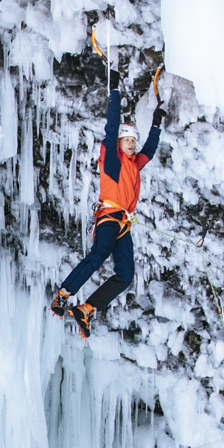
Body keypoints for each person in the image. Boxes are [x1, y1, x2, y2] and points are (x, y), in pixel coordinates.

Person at [50, 84, 167, 338]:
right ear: (119, 142)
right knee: (99, 254)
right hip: (108, 218)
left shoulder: (134, 166)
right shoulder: (112, 160)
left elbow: (150, 150)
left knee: (126, 275)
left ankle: (86, 309)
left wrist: (156, 124)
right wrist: (114, 91)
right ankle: (63, 295)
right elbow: (111, 126)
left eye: (133, 141)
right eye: (128, 140)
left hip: (123, 223)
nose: (132, 145)